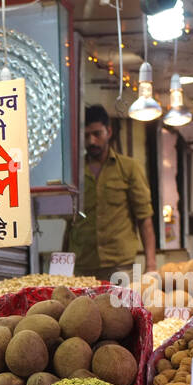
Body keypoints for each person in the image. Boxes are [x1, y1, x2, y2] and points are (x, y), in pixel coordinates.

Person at [67, 105, 157, 280]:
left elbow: (144, 218)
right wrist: (65, 266)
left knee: (121, 307)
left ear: (108, 131)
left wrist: (151, 265)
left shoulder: (129, 168)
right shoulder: (74, 172)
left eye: (97, 134)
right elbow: (70, 223)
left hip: (120, 266)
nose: (91, 141)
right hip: (83, 266)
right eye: (86, 136)